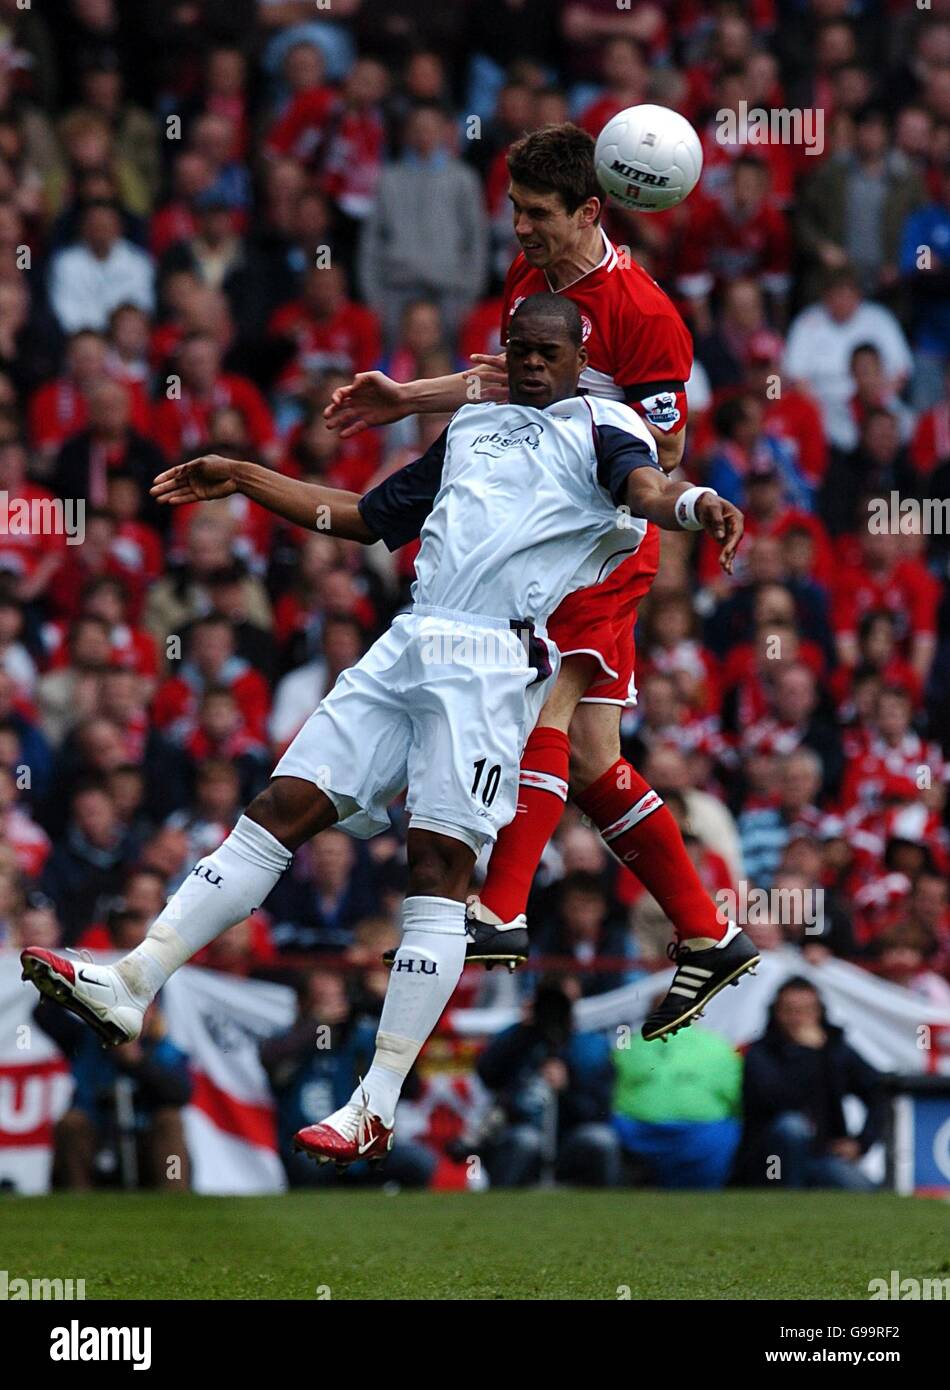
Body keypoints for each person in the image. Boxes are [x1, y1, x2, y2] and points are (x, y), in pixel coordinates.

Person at [21, 292, 752, 1173]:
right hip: (408, 639)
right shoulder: (475, 428)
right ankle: (133, 982)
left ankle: (375, 1100)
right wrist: (248, 478)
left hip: (490, 665)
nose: (528, 362)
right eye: (517, 347)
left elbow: (645, 487)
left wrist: (698, 502)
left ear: (576, 355)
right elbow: (367, 518)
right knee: (279, 806)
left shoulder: (600, 424)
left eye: (546, 351)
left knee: (435, 872)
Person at [326, 124, 746, 1042]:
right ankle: (708, 935)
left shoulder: (644, 313)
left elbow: (663, 452)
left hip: (593, 535)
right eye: (513, 209)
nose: (517, 227)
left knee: (540, 715)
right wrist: (408, 397)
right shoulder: (534, 284)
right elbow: (505, 383)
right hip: (537, 526)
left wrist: (594, 439)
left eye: (535, 213)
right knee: (591, 757)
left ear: (589, 211)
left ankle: (501, 908)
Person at [737, 977, 885, 1191]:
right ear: (776, 1013)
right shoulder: (761, 1053)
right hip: (770, 1163)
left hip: (822, 1156)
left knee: (865, 1192)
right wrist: (805, 1054)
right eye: (790, 1010)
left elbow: (877, 1090)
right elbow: (778, 1099)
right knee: (792, 1126)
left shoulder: (835, 1050)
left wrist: (861, 1143)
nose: (798, 1019)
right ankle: (787, 1199)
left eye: (806, 1010)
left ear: (819, 1012)